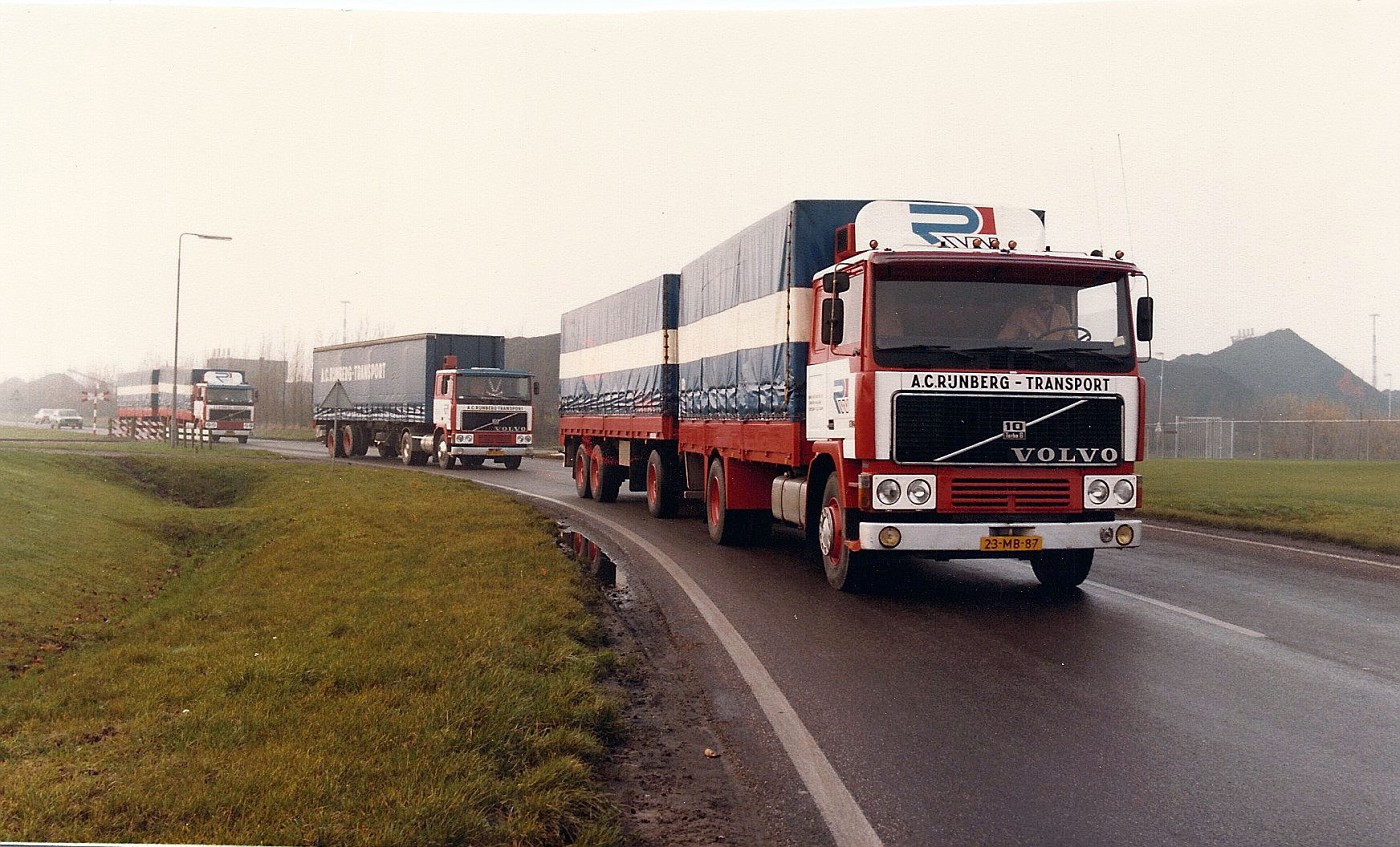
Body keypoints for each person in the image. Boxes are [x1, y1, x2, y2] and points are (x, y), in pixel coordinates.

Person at [997, 287, 1074, 340]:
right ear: (1035, 295)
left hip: (1056, 355)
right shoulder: (1021, 314)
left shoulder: (1061, 312)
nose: (1046, 297)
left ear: (1054, 296)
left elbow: (1070, 338)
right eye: (1042, 293)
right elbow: (1005, 339)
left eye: (1049, 293)